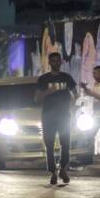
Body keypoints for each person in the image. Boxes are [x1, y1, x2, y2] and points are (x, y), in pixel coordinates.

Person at [35, 51, 77, 185]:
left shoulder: (67, 77)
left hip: (64, 116)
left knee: (66, 144)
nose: (56, 63)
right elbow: (37, 98)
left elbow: (75, 94)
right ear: (49, 62)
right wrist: (48, 91)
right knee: (49, 145)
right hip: (48, 117)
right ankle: (53, 172)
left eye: (58, 61)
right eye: (53, 61)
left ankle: (63, 169)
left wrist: (73, 102)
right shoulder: (43, 79)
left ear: (61, 62)